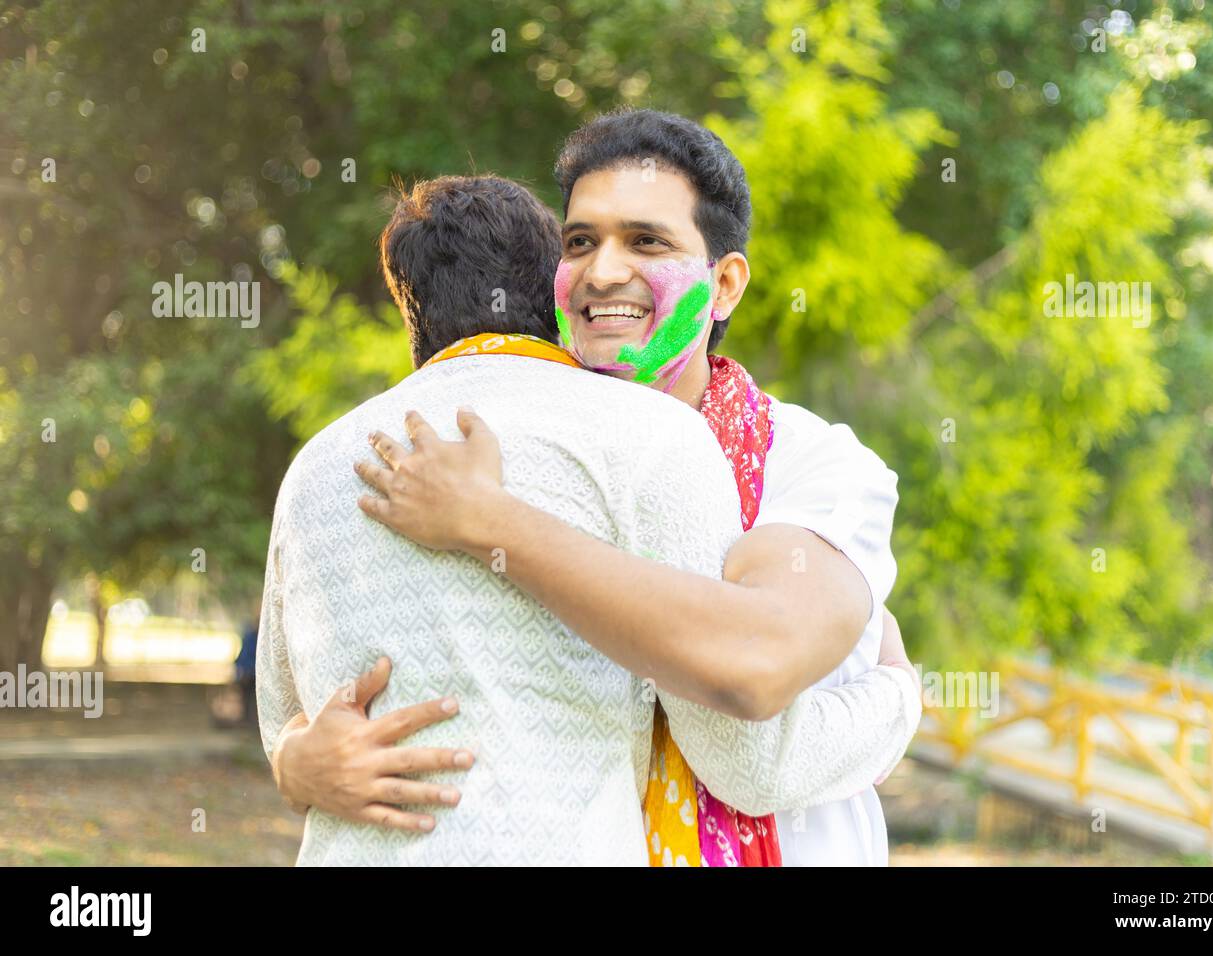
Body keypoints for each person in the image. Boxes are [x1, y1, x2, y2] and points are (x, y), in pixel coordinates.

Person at [256, 173, 920, 865]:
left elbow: (288, 724)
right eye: (584, 244)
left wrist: (292, 765)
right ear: (554, 286)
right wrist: (899, 694)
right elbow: (750, 763)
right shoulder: (645, 437)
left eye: (646, 243)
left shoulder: (317, 465)